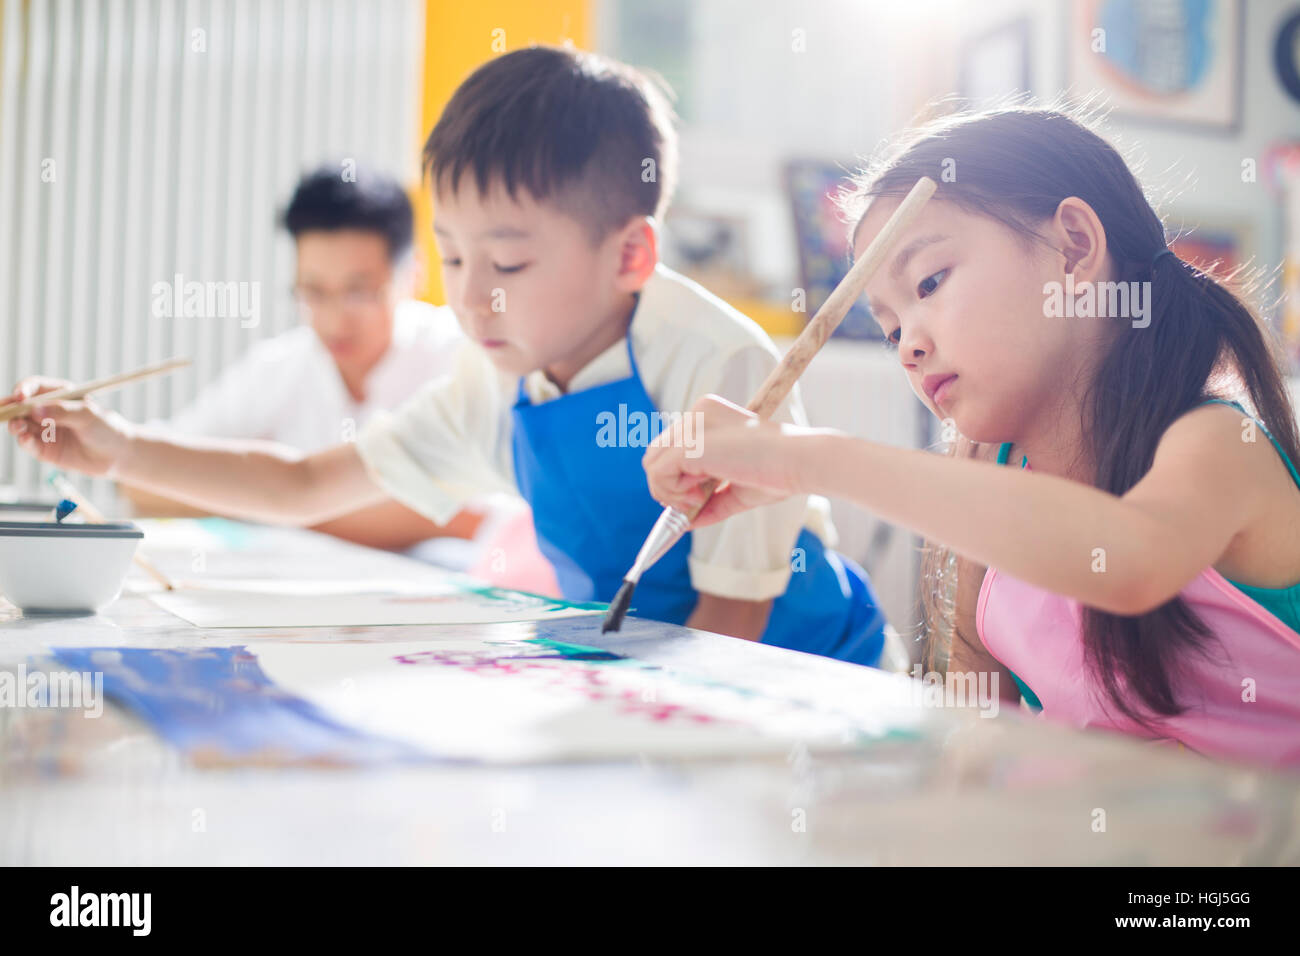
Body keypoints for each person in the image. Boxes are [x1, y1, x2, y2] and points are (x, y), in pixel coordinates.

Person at [6, 46, 885, 665]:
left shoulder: (718, 361)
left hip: (799, 672)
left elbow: (734, 614)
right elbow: (305, 485)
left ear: (629, 255)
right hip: (648, 656)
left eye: (505, 263)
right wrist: (118, 445)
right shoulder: (492, 374)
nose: (468, 297)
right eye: (454, 257)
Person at [642, 106, 1300, 767]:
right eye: (893, 329)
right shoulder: (988, 468)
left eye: (929, 282)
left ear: (1073, 245)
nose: (908, 348)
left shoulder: (1220, 446)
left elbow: (1129, 564)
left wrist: (805, 458)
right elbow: (979, 730)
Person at [123, 165, 482, 551]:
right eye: (313, 292)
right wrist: (276, 498)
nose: (333, 319)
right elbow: (144, 483)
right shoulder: (280, 365)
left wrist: (264, 497)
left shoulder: (462, 355)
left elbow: (468, 519)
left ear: (411, 276)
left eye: (358, 292)